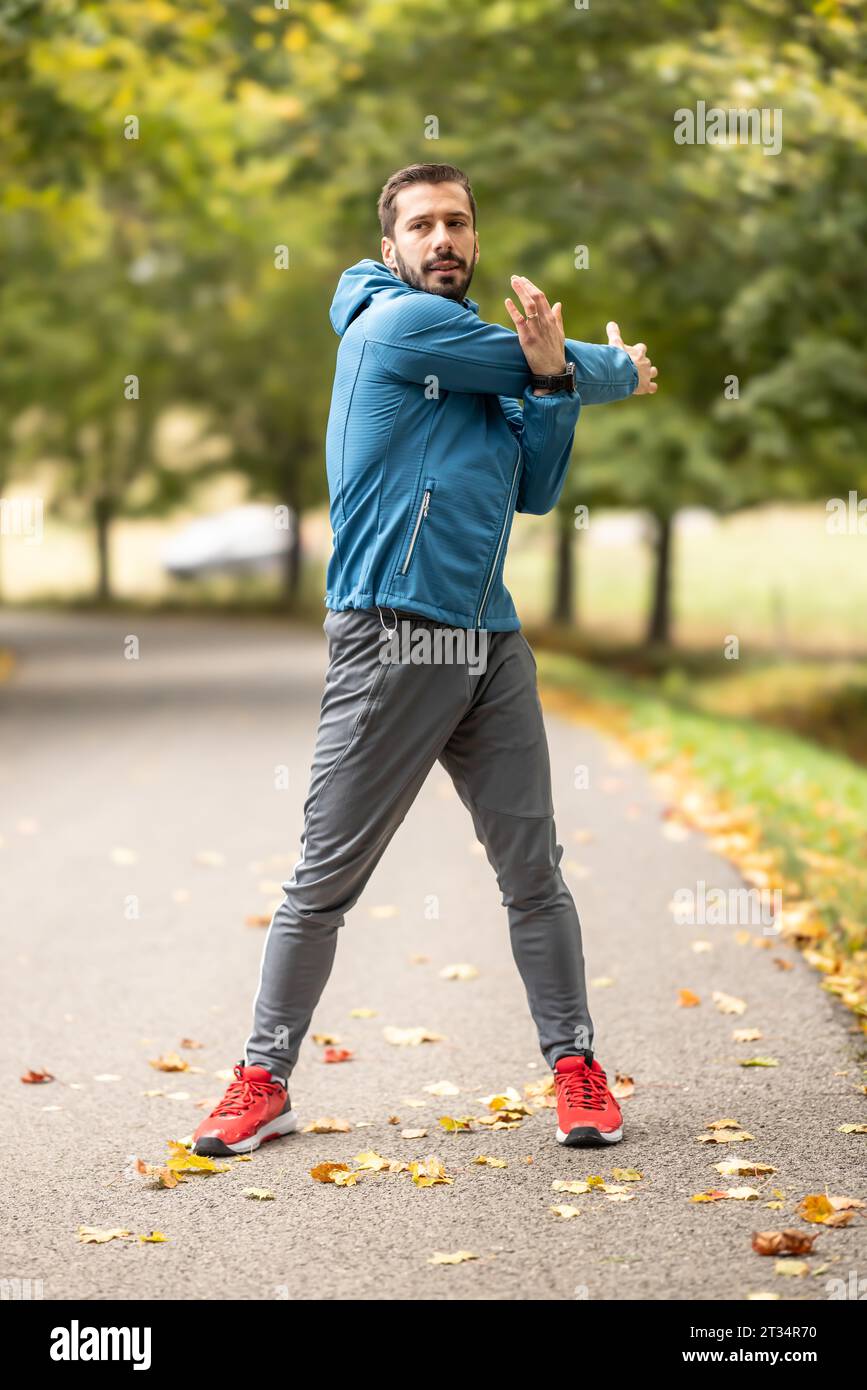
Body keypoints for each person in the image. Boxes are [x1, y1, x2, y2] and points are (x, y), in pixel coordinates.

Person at [192, 162, 657, 1157]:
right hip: (394, 633)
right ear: (391, 247)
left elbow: (533, 486)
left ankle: (575, 1068)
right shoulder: (398, 328)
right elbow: (586, 367)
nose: (442, 238)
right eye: (422, 224)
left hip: (489, 638)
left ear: (476, 240)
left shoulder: (490, 370)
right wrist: (604, 367)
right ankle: (260, 1078)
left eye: (458, 222)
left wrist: (548, 384)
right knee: (325, 879)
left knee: (534, 870)